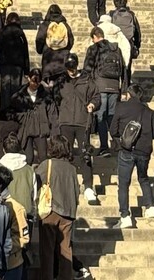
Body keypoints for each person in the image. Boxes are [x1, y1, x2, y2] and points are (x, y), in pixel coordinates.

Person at [35, 135, 93, 280]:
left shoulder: (47, 164)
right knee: (66, 249)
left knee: (47, 251)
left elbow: (35, 183)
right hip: (68, 212)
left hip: (50, 210)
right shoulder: (72, 169)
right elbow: (76, 190)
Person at [109, 84, 154, 228]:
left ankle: (125, 216)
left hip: (127, 150)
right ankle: (150, 207)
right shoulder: (149, 111)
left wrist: (122, 140)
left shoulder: (121, 107)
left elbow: (113, 130)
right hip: (144, 151)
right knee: (143, 178)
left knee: (124, 184)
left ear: (129, 95)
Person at [52, 53, 99, 205]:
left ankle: (88, 187)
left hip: (82, 121)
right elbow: (55, 98)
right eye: (68, 68)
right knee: (66, 153)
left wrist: (93, 104)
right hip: (65, 121)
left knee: (86, 154)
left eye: (72, 68)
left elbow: (96, 96)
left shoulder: (87, 79)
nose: (71, 71)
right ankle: (67, 184)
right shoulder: (61, 80)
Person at [82, 26, 124, 156]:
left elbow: (87, 69)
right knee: (112, 116)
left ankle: (104, 147)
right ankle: (118, 143)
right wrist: (124, 88)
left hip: (100, 86)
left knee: (101, 116)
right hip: (115, 86)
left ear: (94, 37)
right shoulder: (116, 48)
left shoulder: (94, 49)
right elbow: (123, 68)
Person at [7, 70, 53, 163]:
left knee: (43, 156)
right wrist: (22, 117)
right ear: (28, 78)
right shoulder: (19, 96)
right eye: (33, 81)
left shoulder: (46, 96)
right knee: (28, 157)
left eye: (38, 82)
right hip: (26, 129)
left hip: (41, 129)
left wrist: (50, 126)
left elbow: (52, 113)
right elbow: (10, 113)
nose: (35, 84)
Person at [0, 132, 36, 227]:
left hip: (2, 214)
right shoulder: (29, 170)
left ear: (4, 150)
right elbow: (34, 195)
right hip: (25, 213)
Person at [0, 12, 30, 119]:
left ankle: (3, 112)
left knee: (5, 88)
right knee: (16, 88)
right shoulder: (20, 33)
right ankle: (14, 111)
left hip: (5, 64)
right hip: (17, 65)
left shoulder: (3, 32)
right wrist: (27, 70)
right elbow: (25, 52)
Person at [35, 3, 75, 84]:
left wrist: (40, 50)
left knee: (49, 88)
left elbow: (39, 39)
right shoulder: (65, 25)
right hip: (63, 60)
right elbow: (71, 40)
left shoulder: (45, 25)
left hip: (48, 61)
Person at [110, 0, 142, 80]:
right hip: (128, 42)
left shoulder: (111, 14)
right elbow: (137, 32)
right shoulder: (131, 14)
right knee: (127, 66)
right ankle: (126, 88)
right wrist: (137, 45)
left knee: (114, 66)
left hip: (115, 44)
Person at [99, 8, 134, 87]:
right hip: (116, 64)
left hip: (101, 67)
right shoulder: (118, 32)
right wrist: (125, 63)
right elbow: (126, 47)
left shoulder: (97, 32)